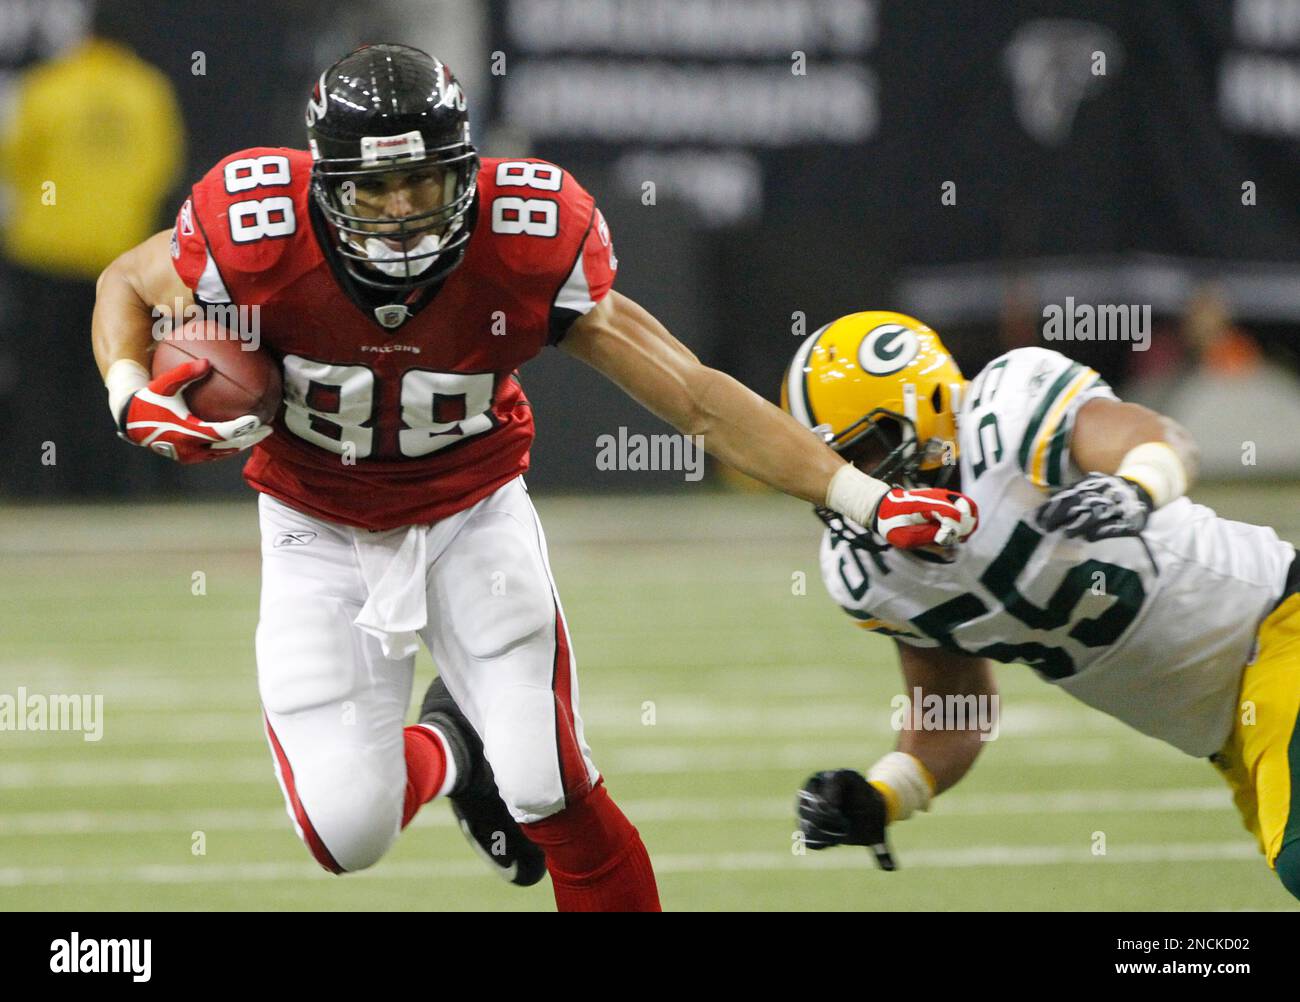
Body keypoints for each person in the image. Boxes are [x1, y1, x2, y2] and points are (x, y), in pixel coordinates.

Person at [90, 46, 978, 912]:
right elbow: (124, 281)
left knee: (550, 783)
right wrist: (133, 396)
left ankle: (493, 751)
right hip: (313, 522)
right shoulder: (257, 231)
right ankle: (451, 745)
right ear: (325, 186)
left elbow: (697, 399)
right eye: (373, 188)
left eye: (424, 184)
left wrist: (864, 496)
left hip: (471, 511)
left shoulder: (526, 238)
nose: (400, 213)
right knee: (345, 833)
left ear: (467, 173)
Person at [782, 310, 1300, 901]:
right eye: (833, 463)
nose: (850, 479)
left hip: (1277, 624)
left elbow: (1159, 439)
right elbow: (956, 710)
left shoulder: (1008, 414)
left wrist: (1134, 486)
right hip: (1222, 732)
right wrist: (884, 794)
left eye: (864, 452)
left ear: (925, 406)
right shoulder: (869, 572)